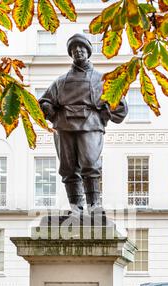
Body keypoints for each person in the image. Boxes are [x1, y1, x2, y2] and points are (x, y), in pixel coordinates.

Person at [39, 33, 128, 215]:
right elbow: (45, 101)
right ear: (71, 53)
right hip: (64, 127)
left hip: (90, 125)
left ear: (88, 51)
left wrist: (109, 108)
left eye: (81, 48)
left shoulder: (101, 80)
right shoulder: (60, 81)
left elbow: (119, 105)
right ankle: (75, 207)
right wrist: (47, 107)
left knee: (90, 164)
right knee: (68, 168)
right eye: (74, 49)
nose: (78, 51)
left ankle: (94, 205)